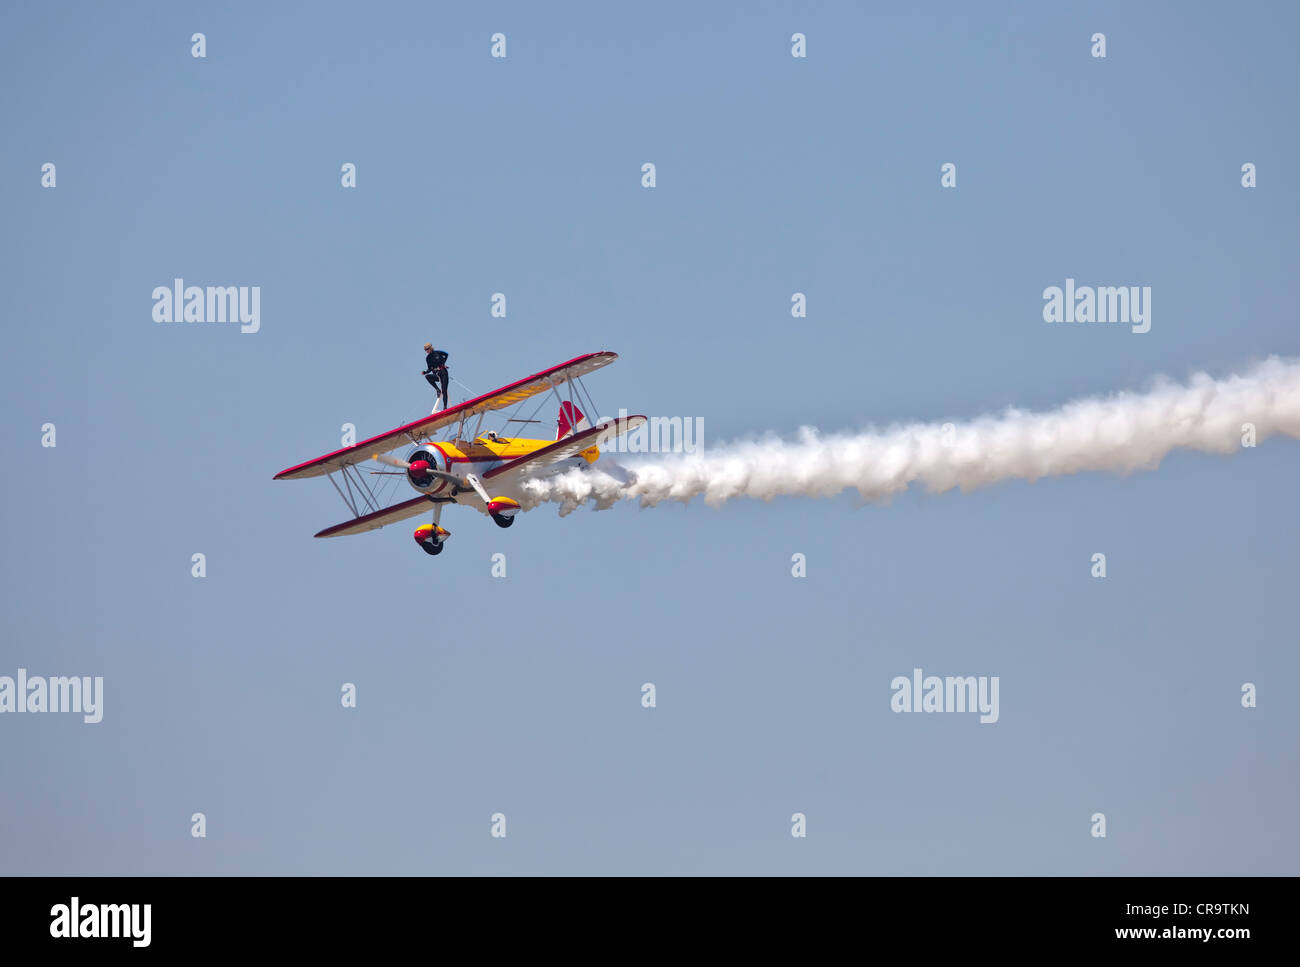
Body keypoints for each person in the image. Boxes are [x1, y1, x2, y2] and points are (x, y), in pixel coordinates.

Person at [422, 342, 449, 410]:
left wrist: (443, 363)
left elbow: (446, 354)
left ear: (431, 348)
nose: (427, 351)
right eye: (425, 350)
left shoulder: (438, 353)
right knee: (427, 376)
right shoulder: (428, 358)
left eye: (427, 349)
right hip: (436, 374)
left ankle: (445, 407)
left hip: (443, 373)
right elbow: (429, 369)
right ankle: (437, 389)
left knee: (444, 389)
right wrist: (425, 372)